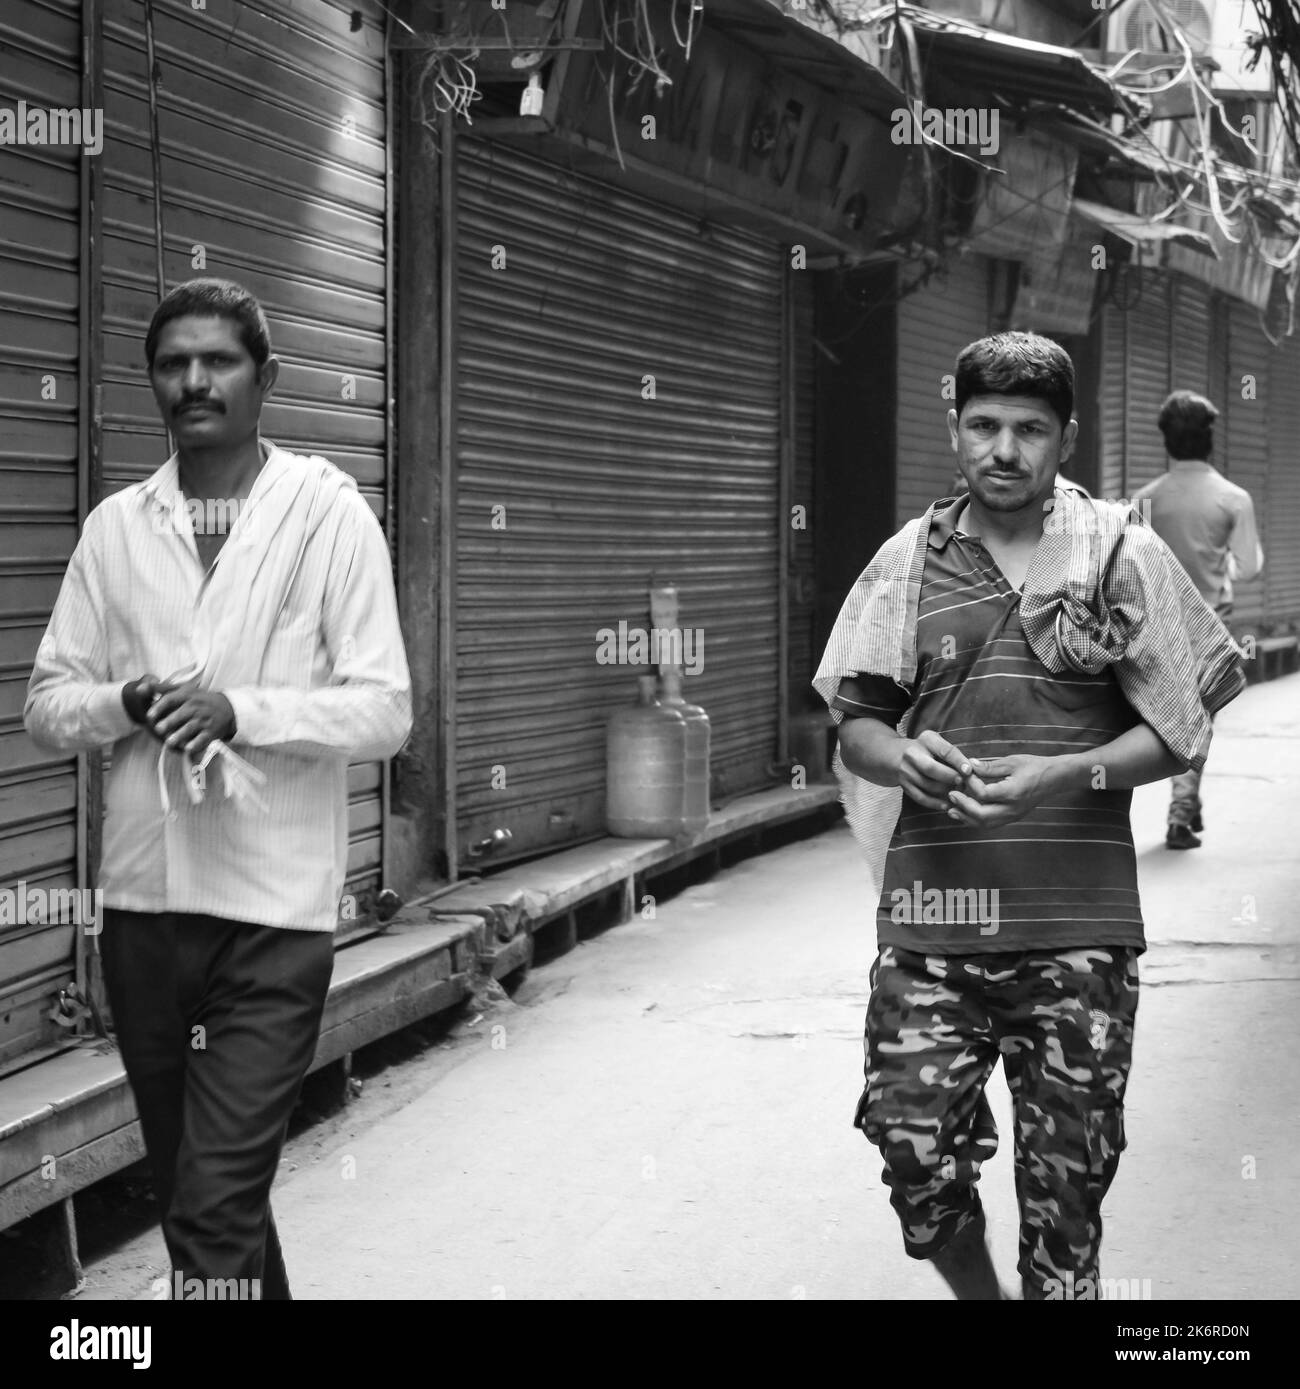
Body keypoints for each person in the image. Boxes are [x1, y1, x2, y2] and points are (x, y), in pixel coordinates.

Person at [813, 332, 1243, 1300]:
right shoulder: (904, 562)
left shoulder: (1121, 554)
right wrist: (901, 755)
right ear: (954, 427)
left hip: (1077, 936)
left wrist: (1065, 773)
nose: (1003, 450)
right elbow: (857, 727)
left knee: (1066, 1200)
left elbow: (1179, 733)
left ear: (1065, 438)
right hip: (931, 927)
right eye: (983, 425)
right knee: (912, 1155)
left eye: (1029, 429)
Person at [25, 278, 412, 1300]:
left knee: (209, 1207)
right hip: (145, 916)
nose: (194, 381)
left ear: (265, 378)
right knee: (203, 1195)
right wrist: (126, 700)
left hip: (272, 920)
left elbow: (385, 711)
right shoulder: (117, 528)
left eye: (219, 361)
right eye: (172, 363)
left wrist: (244, 711)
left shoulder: (326, 518)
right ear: (153, 381)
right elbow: (46, 706)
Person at [1132, 391, 1263, 849]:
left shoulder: (1144, 500)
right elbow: (1249, 568)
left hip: (1157, 627)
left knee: (1183, 714)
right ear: (1210, 439)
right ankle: (1181, 814)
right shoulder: (1234, 499)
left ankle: (1188, 800)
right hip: (1212, 627)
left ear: (1167, 441)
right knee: (1198, 713)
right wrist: (1221, 568)